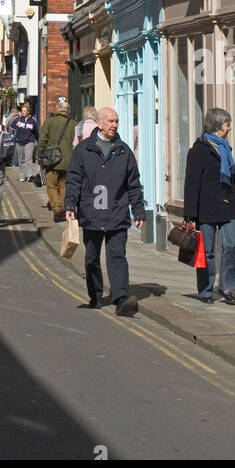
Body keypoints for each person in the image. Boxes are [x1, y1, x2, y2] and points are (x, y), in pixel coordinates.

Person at [64, 106, 144, 317]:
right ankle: (96, 295)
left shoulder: (123, 150)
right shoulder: (83, 150)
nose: (114, 125)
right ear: (99, 123)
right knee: (91, 258)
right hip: (91, 213)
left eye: (116, 121)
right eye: (110, 121)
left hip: (117, 212)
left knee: (117, 257)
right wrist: (70, 205)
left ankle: (121, 299)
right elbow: (73, 180)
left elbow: (133, 183)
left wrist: (139, 210)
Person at [183, 107, 235, 305]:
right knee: (207, 251)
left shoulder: (226, 148)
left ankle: (226, 287)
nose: (230, 128)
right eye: (227, 124)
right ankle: (206, 290)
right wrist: (190, 215)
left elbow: (232, 180)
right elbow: (191, 183)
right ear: (218, 126)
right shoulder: (198, 150)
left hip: (227, 206)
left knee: (231, 244)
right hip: (206, 208)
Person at [37, 99, 78, 222]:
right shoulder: (74, 124)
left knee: (52, 186)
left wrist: (39, 155)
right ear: (68, 111)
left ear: (57, 110)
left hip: (52, 161)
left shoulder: (49, 122)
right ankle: (63, 208)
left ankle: (57, 208)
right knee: (64, 186)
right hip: (69, 161)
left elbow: (42, 140)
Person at [13, 102, 39, 182]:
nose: (22, 112)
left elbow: (36, 133)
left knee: (28, 158)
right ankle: (22, 176)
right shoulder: (18, 119)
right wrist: (15, 125)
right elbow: (11, 127)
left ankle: (29, 175)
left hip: (29, 141)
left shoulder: (33, 121)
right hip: (19, 141)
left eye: (24, 111)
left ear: (28, 112)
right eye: (22, 111)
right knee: (21, 159)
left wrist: (39, 143)